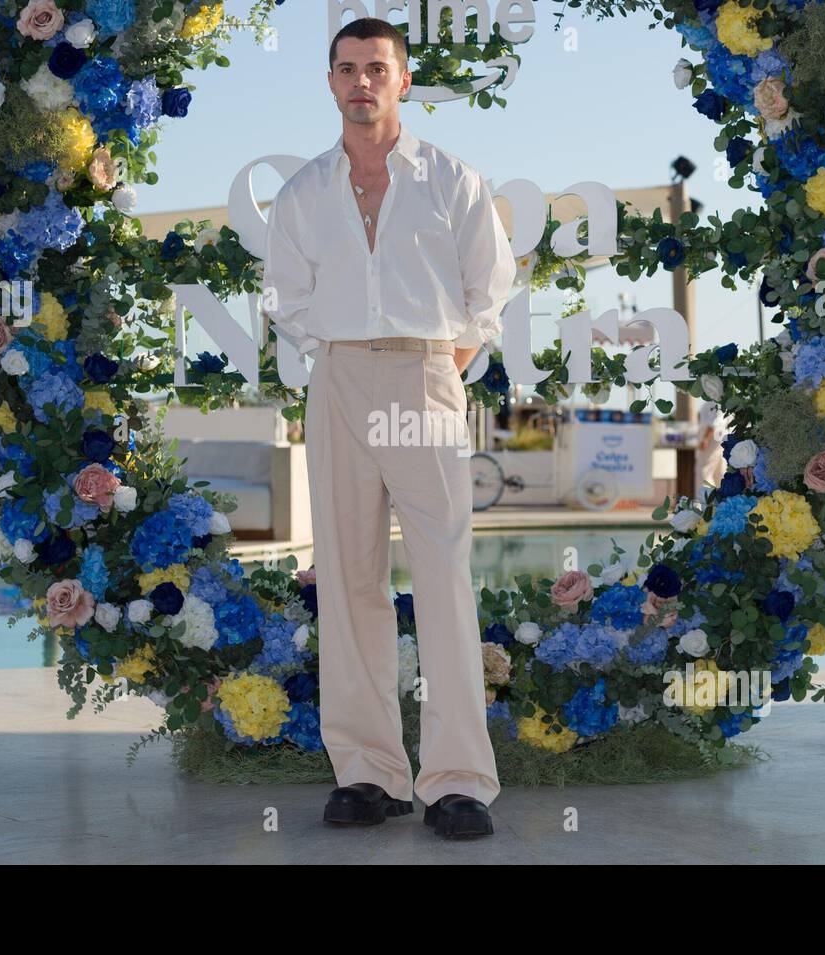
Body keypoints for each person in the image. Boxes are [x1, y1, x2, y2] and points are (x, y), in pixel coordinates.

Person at [262, 17, 515, 838]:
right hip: (337, 373)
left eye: (377, 68)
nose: (361, 81)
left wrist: (437, 362)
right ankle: (368, 773)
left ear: (403, 80)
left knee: (441, 576)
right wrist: (336, 359)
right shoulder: (304, 192)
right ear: (330, 83)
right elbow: (287, 299)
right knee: (348, 576)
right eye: (346, 69)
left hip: (422, 370)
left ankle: (457, 781)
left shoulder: (452, 181)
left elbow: (491, 290)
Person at [696, 399, 728, 502]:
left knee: (704, 471)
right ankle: (720, 500)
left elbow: (713, 423)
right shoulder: (725, 400)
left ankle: (708, 501)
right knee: (719, 472)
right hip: (721, 438)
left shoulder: (713, 401)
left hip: (712, 439)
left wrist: (705, 439)